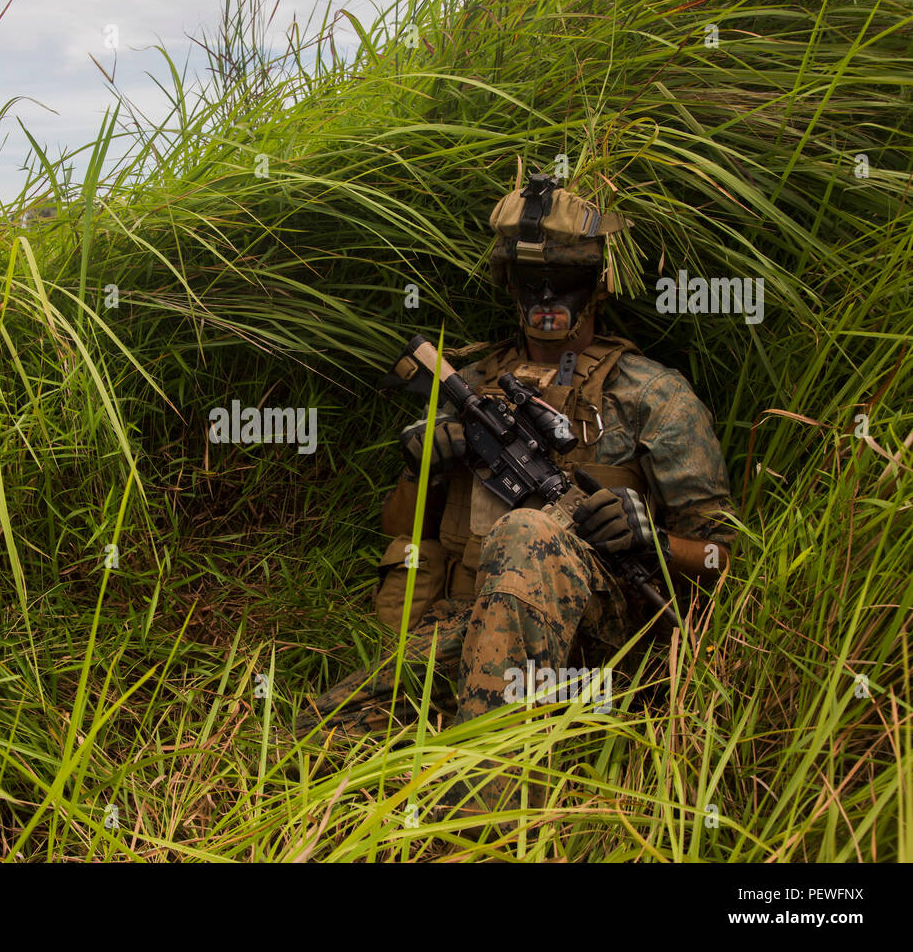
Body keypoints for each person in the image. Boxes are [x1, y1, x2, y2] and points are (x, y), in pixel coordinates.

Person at [297, 171, 738, 818]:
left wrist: (651, 537)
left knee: (528, 531)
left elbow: (724, 559)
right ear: (509, 287)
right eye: (530, 284)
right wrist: (421, 468)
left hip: (599, 647)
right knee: (316, 733)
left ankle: (491, 812)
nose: (547, 299)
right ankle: (459, 753)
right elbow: (402, 530)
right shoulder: (474, 386)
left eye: (566, 282)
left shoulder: (652, 395)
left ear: (599, 287)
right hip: (474, 628)